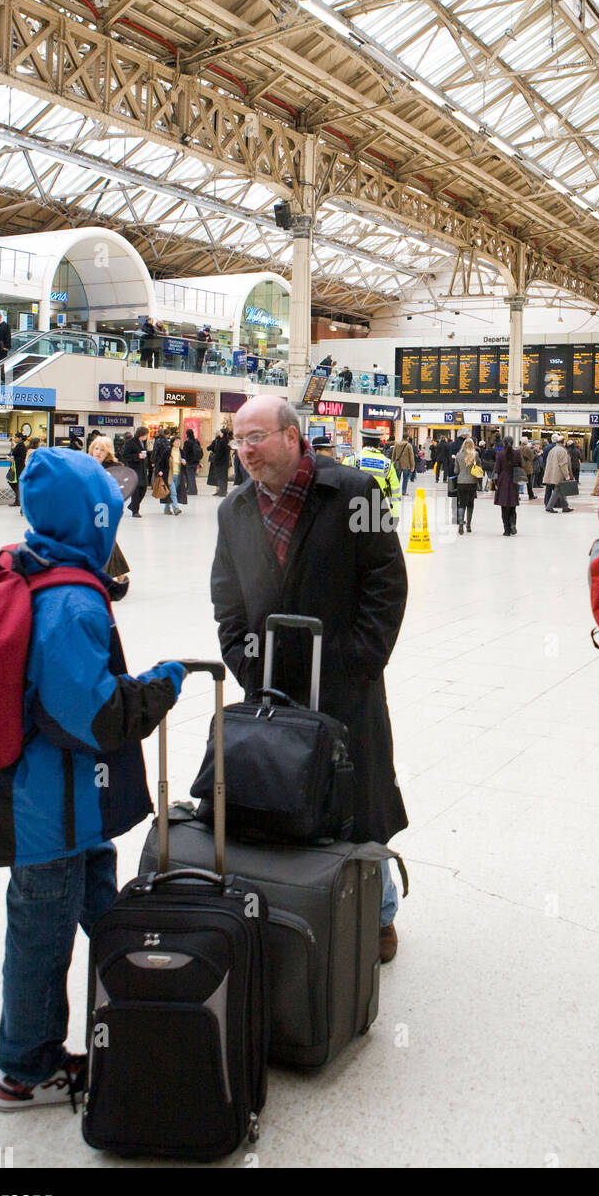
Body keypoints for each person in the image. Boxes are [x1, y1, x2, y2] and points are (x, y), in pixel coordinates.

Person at [0, 449, 185, 1109]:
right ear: (93, 517)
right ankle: (26, 1070)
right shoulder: (67, 599)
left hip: (54, 799)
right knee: (41, 936)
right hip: (50, 808)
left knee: (97, 905)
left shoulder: (22, 565)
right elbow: (89, 715)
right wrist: (156, 689)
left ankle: (157, 1003)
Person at [211, 397, 408, 962]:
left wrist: (357, 662)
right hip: (270, 685)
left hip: (344, 684)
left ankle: (380, 913)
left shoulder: (353, 492)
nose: (245, 450)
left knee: (356, 797)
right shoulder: (235, 510)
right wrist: (247, 663)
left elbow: (386, 583)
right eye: (239, 439)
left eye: (256, 437)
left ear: (293, 437)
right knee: (283, 792)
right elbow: (226, 597)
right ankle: (302, 909)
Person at [88, 436, 131, 588]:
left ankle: (101, 577)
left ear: (108, 452)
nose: (98, 452)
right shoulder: (88, 465)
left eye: (102, 449)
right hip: (91, 509)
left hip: (106, 509)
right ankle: (120, 575)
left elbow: (120, 490)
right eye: (96, 448)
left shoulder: (114, 468)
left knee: (102, 539)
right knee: (106, 540)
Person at [343, 431, 401, 526]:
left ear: (363, 442)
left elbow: (342, 485)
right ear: (378, 444)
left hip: (353, 507)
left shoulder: (351, 460)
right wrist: (394, 515)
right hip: (378, 508)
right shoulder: (387, 464)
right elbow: (395, 491)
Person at [120, 426, 151, 517]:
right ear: (141, 435)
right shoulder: (131, 443)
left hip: (143, 468)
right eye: (146, 435)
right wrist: (137, 456)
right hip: (134, 468)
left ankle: (133, 505)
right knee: (136, 490)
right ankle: (135, 511)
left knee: (144, 488)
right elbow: (125, 455)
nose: (146, 437)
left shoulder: (143, 442)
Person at [494, 437, 520, 536]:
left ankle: (507, 530)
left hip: (503, 480)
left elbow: (497, 469)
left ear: (503, 443)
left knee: (504, 507)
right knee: (513, 506)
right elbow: (520, 466)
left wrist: (495, 483)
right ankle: (513, 523)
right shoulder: (517, 453)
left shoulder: (500, 454)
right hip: (514, 480)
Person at [454, 435, 480, 535]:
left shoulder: (458, 455)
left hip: (461, 482)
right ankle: (468, 526)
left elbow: (456, 470)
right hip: (472, 482)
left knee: (461, 504)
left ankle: (461, 525)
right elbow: (478, 467)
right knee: (470, 504)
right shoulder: (476, 455)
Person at [152, 431, 182, 516]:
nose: (178, 443)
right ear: (172, 442)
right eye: (176, 442)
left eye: (179, 442)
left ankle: (166, 509)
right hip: (169, 475)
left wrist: (184, 462)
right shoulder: (167, 452)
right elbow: (161, 463)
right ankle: (176, 508)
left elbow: (184, 462)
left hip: (178, 475)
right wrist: (160, 471)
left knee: (171, 493)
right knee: (173, 493)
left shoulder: (181, 452)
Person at [542, 434, 573, 513]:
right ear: (563, 442)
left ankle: (565, 507)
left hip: (552, 473)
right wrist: (567, 475)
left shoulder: (553, 450)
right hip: (559, 474)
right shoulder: (562, 451)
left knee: (560, 490)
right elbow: (563, 464)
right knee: (557, 490)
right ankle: (549, 507)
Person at [207, 427, 232, 497]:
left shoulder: (221, 442)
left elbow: (219, 453)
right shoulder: (227, 441)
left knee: (220, 478)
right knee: (224, 477)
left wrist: (215, 461)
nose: (219, 433)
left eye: (220, 432)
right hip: (225, 462)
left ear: (223, 433)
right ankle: (223, 491)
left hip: (220, 463)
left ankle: (221, 492)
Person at [9, 429, 28, 506]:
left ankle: (18, 501)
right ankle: (18, 500)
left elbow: (21, 457)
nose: (15, 438)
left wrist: (13, 460)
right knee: (14, 483)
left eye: (16, 437)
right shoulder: (18, 445)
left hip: (19, 467)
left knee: (15, 483)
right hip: (16, 467)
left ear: (20, 438)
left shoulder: (21, 446)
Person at [181, 428, 202, 496]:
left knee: (190, 476)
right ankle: (193, 490)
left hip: (189, 462)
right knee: (192, 476)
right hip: (195, 461)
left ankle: (192, 491)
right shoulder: (196, 441)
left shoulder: (187, 442)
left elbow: (184, 452)